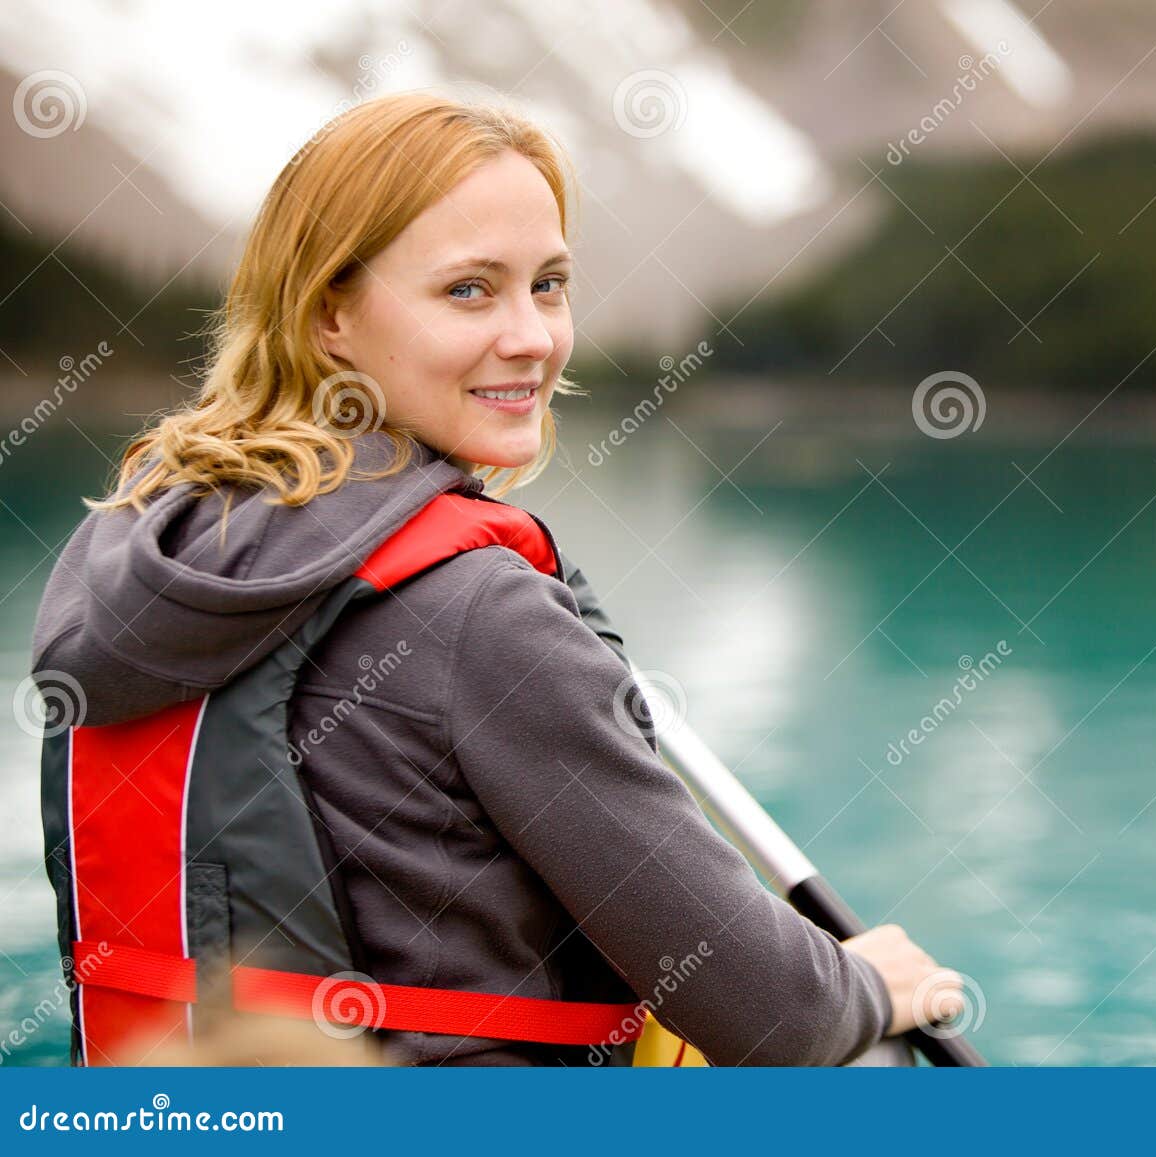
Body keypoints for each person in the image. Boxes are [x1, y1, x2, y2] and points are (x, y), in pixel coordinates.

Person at [31, 91, 962, 1067]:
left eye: (548, 285)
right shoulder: (482, 609)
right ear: (330, 315)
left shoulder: (139, 550)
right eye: (469, 290)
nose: (532, 336)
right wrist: (865, 985)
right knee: (870, 1055)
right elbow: (770, 1011)